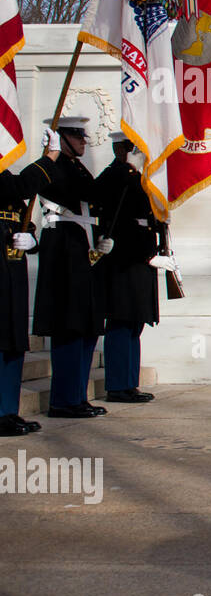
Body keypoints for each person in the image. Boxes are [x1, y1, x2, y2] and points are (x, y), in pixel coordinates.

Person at [30, 116, 113, 419]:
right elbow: (84, 193)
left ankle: (77, 396)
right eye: (77, 137)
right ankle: (63, 400)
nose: (83, 142)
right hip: (64, 249)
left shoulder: (76, 166)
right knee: (69, 326)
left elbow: (94, 200)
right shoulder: (54, 167)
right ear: (61, 138)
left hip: (81, 246)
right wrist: (122, 171)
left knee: (86, 326)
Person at [96, 133, 160, 403]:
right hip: (123, 261)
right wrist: (146, 254)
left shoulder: (138, 177)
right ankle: (118, 385)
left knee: (135, 322)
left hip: (140, 259)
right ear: (120, 149)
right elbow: (116, 222)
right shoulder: (114, 176)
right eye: (135, 148)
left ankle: (129, 382)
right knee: (121, 321)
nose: (140, 152)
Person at [0, 162, 46, 435]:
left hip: (12, 269)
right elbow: (21, 186)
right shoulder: (8, 182)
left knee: (14, 342)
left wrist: (30, 238)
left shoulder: (6, 176)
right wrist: (48, 160)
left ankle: (8, 410)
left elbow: (21, 217)